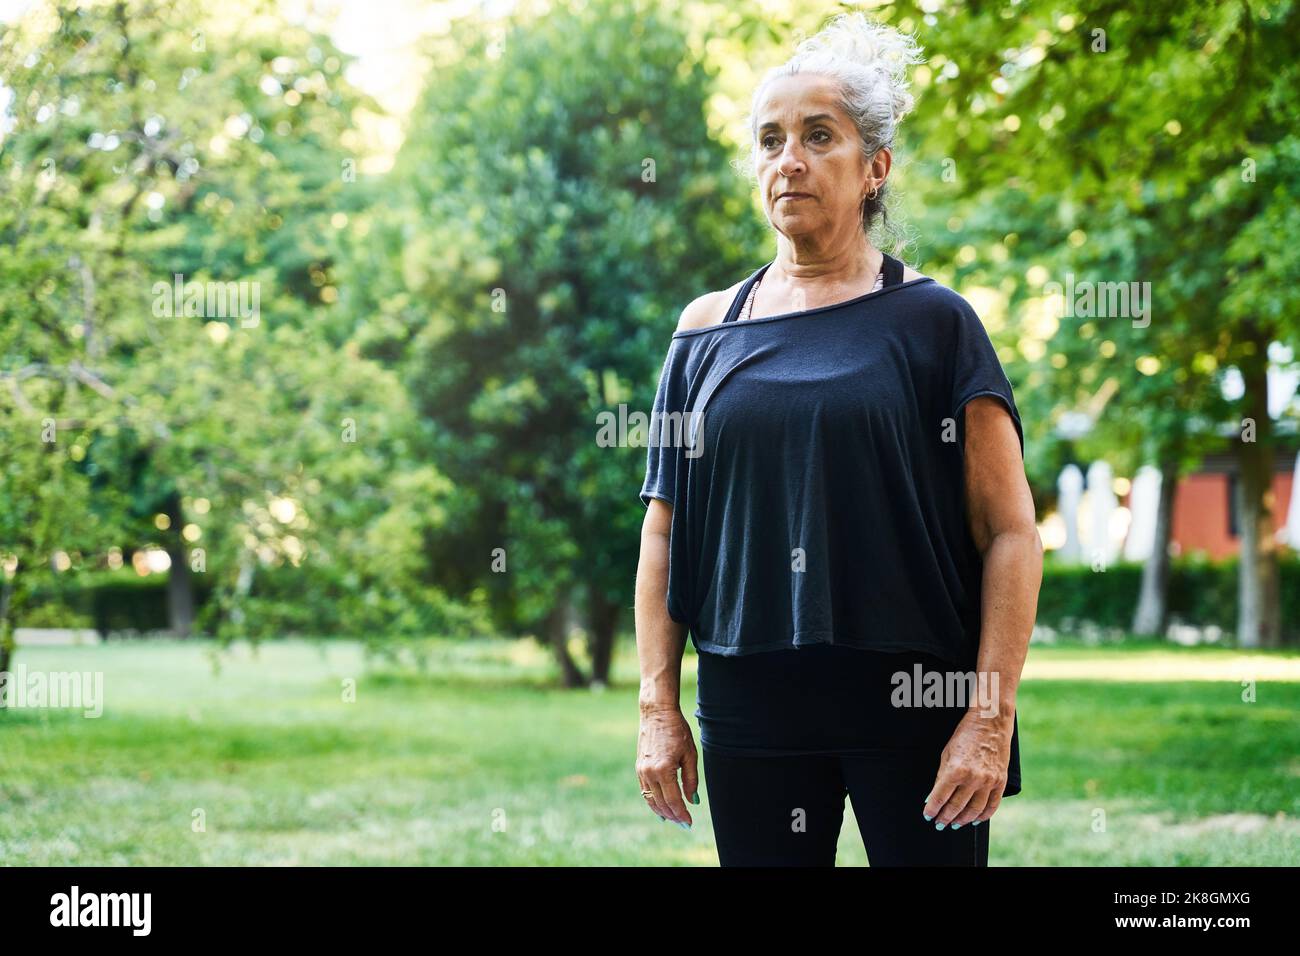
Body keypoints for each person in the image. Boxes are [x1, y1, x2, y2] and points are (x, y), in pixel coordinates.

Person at [633, 12, 1042, 866]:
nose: (790, 159)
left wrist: (988, 716)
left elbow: (1011, 532)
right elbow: (664, 532)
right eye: (771, 139)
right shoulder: (702, 332)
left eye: (820, 136)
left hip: (917, 696)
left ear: (875, 168)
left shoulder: (936, 323)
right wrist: (658, 706)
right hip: (750, 698)